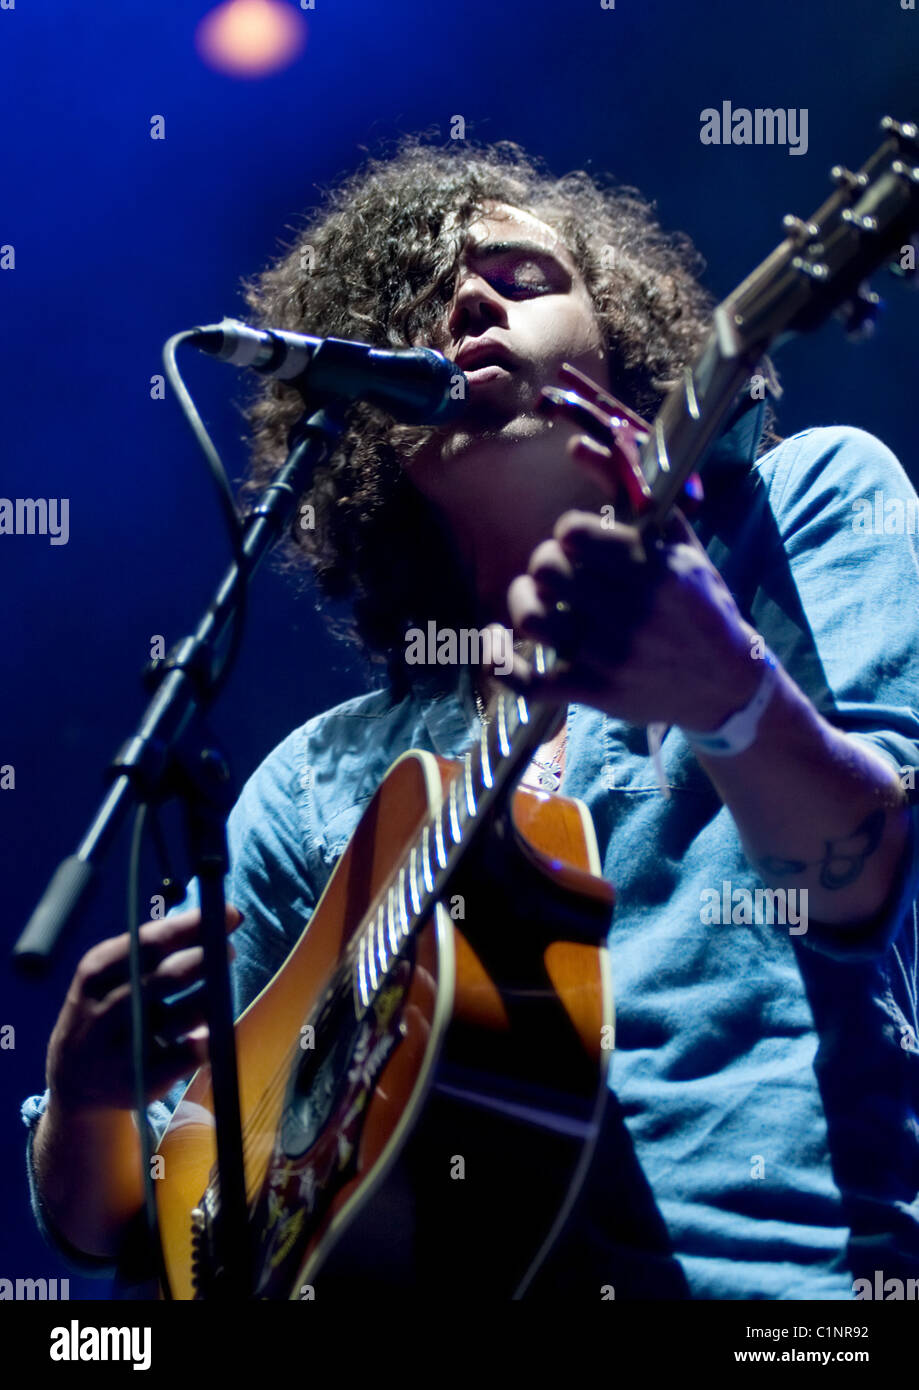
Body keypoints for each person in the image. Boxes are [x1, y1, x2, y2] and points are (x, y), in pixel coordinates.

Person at [22, 136, 919, 1299]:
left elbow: (867, 876)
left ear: (627, 342)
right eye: (416, 299)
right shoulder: (316, 784)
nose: (467, 298)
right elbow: (167, 1204)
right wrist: (88, 1098)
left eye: (521, 273)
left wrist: (730, 695)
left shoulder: (799, 510)